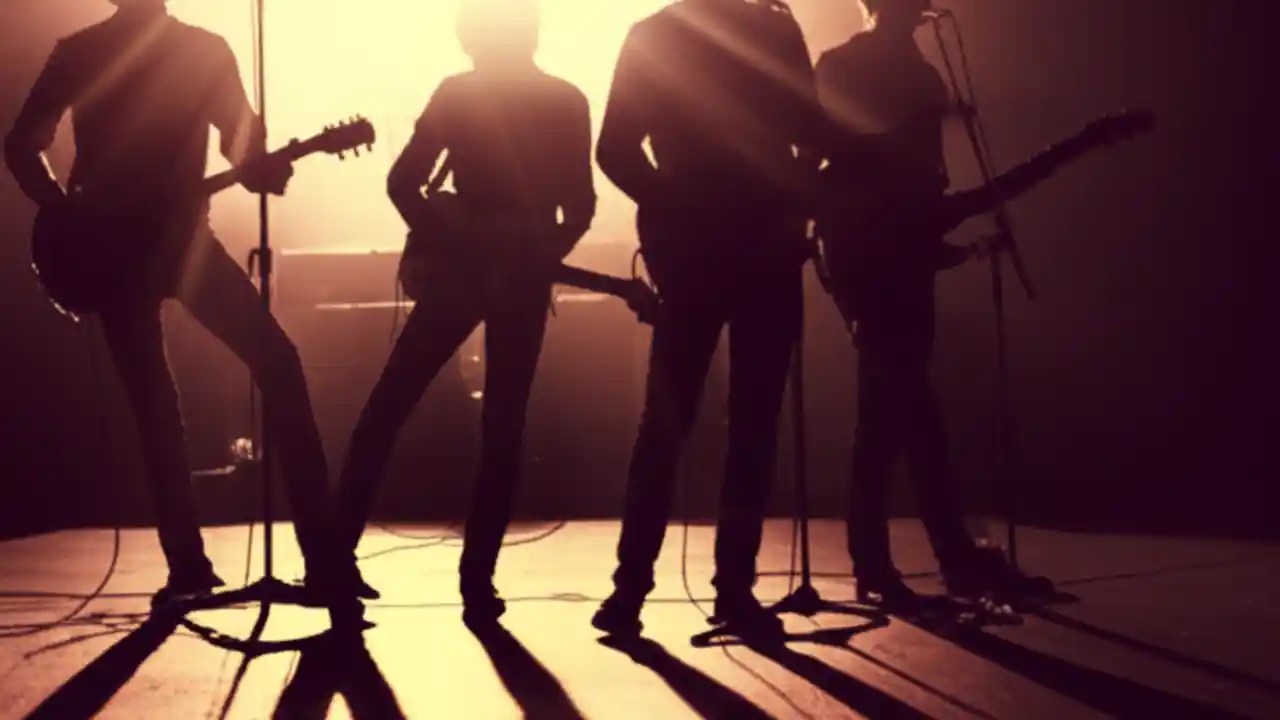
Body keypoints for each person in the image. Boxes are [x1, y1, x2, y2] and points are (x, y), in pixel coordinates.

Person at [4, 0, 370, 614]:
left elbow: (21, 146)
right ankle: (325, 561)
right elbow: (246, 157)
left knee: (157, 407)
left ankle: (190, 568)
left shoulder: (81, 51)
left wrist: (66, 211)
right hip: (179, 246)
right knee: (275, 365)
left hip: (121, 250)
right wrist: (266, 172)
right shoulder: (202, 49)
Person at [335, 0, 596, 627]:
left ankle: (334, 558)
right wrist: (540, 256)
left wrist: (448, 236)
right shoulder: (566, 99)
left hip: (457, 277)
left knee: (388, 407)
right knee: (502, 429)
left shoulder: (458, 93)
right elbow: (581, 204)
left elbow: (402, 182)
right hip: (520, 282)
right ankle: (477, 584)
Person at [591, 0, 823, 637]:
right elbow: (816, 132)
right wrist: (795, 190)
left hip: (695, 251)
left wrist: (673, 202)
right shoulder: (775, 29)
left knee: (667, 420)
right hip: (763, 248)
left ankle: (630, 592)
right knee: (751, 420)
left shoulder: (654, 34)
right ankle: (732, 590)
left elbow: (615, 150)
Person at [815, 0, 1049, 609]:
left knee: (893, 417)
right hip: (867, 261)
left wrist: (936, 238)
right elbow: (831, 154)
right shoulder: (842, 65)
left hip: (906, 261)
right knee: (909, 414)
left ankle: (897, 560)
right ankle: (944, 557)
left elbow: (923, 178)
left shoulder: (925, 73)